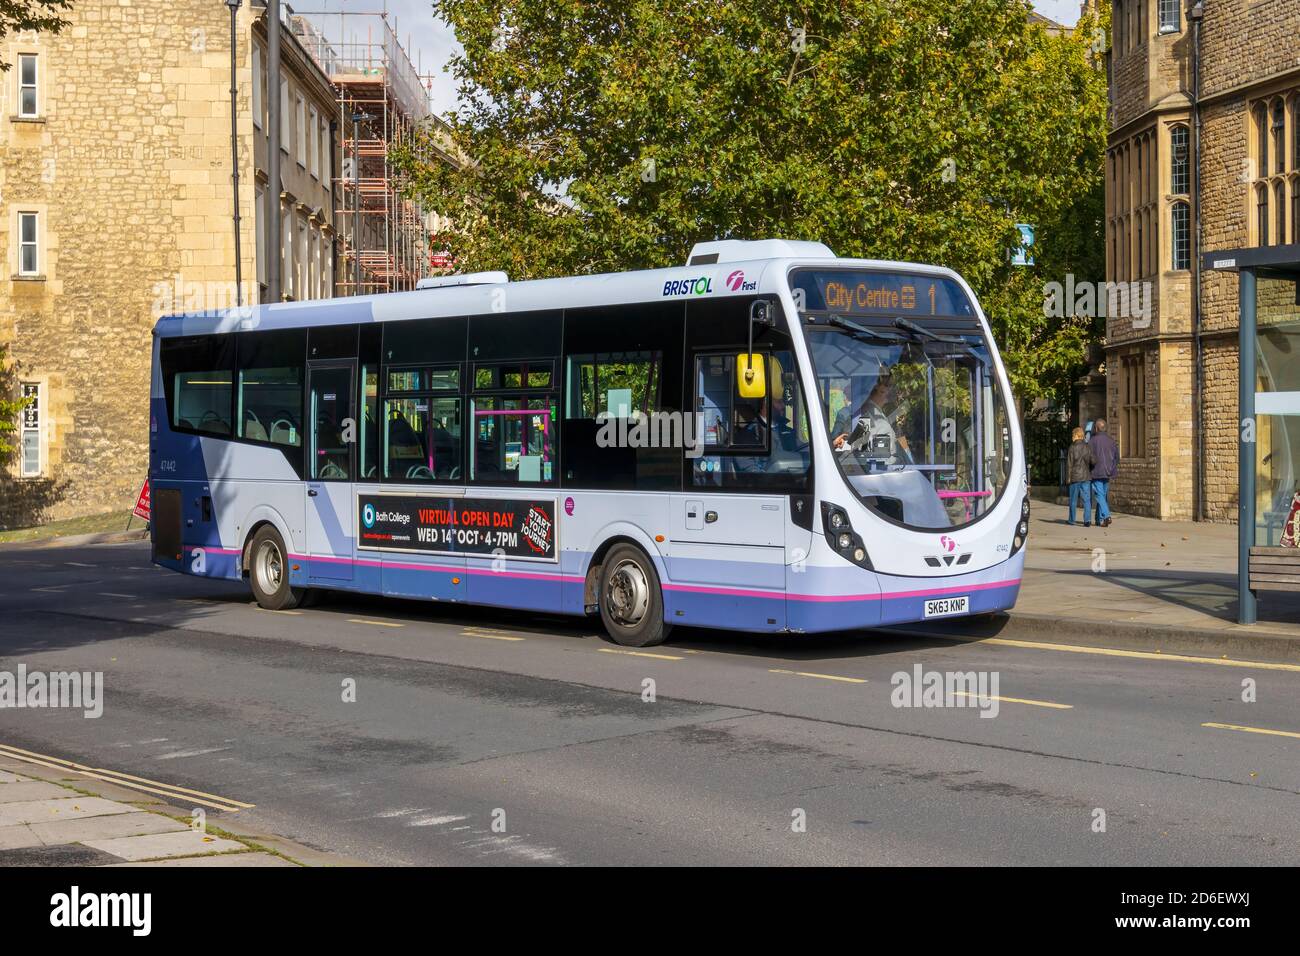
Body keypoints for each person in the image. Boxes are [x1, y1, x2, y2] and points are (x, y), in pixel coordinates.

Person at [832, 375, 910, 461]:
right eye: (888, 385)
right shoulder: (877, 421)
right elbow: (884, 464)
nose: (891, 389)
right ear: (880, 390)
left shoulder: (862, 414)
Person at [1088, 418, 1120, 527]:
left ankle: (1106, 516)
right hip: (1108, 472)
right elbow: (1117, 458)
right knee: (1102, 495)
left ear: (1096, 428)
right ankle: (1100, 519)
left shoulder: (1092, 441)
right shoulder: (1112, 441)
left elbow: (1089, 458)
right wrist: (1112, 468)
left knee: (1099, 495)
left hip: (1096, 472)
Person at [1066, 426, 1096, 527]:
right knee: (1086, 499)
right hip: (1086, 476)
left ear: (1075, 435)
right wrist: (1090, 468)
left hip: (1075, 477)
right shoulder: (1087, 447)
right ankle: (1087, 520)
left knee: (1073, 499)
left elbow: (1069, 464)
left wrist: (1068, 478)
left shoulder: (1072, 447)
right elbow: (1093, 461)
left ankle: (1072, 520)